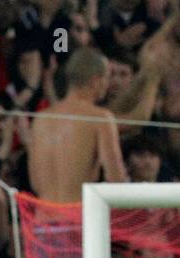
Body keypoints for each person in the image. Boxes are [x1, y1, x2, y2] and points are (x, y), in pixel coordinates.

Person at [26, 47, 127, 202]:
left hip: (42, 219)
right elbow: (115, 178)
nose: (108, 84)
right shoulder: (100, 118)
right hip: (77, 219)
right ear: (95, 80)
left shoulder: (40, 119)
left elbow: (35, 182)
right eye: (107, 77)